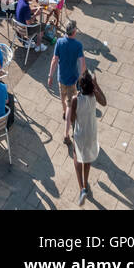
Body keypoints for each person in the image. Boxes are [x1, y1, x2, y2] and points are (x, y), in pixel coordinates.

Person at [68, 71, 107, 205]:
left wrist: (72, 108)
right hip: (92, 133)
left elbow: (72, 119)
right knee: (87, 160)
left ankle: (82, 188)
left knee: (77, 156)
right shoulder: (94, 95)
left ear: (80, 86)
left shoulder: (76, 99)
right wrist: (96, 85)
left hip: (80, 134)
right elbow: (105, 102)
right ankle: (86, 182)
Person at [47, 19, 86, 136]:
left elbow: (54, 60)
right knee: (71, 106)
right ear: (74, 32)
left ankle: (64, 113)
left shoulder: (59, 42)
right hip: (72, 80)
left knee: (62, 98)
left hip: (61, 78)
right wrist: (82, 77)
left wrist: (50, 75)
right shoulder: (78, 45)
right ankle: (66, 134)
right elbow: (82, 64)